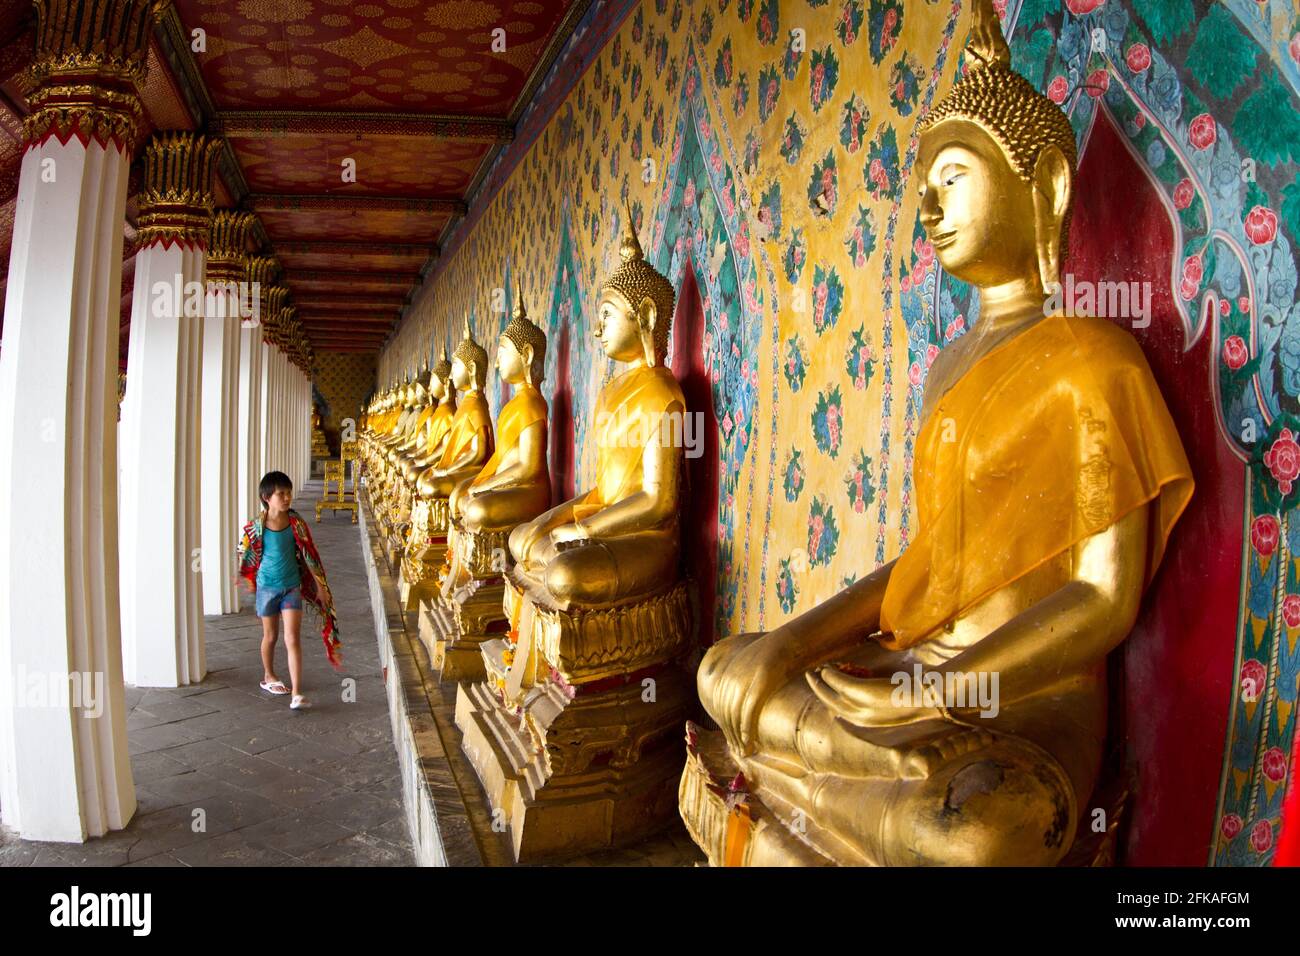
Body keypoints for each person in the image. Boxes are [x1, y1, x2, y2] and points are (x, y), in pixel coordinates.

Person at [237, 471, 342, 710]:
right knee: (271, 636)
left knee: (292, 638)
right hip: (267, 589)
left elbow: (309, 555)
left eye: (288, 493)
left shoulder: (296, 523)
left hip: (292, 587)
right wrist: (248, 570)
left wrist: (319, 586)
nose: (286, 498)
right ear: (267, 497)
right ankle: (269, 675)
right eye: (280, 494)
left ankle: (296, 692)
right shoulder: (256, 527)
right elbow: (245, 552)